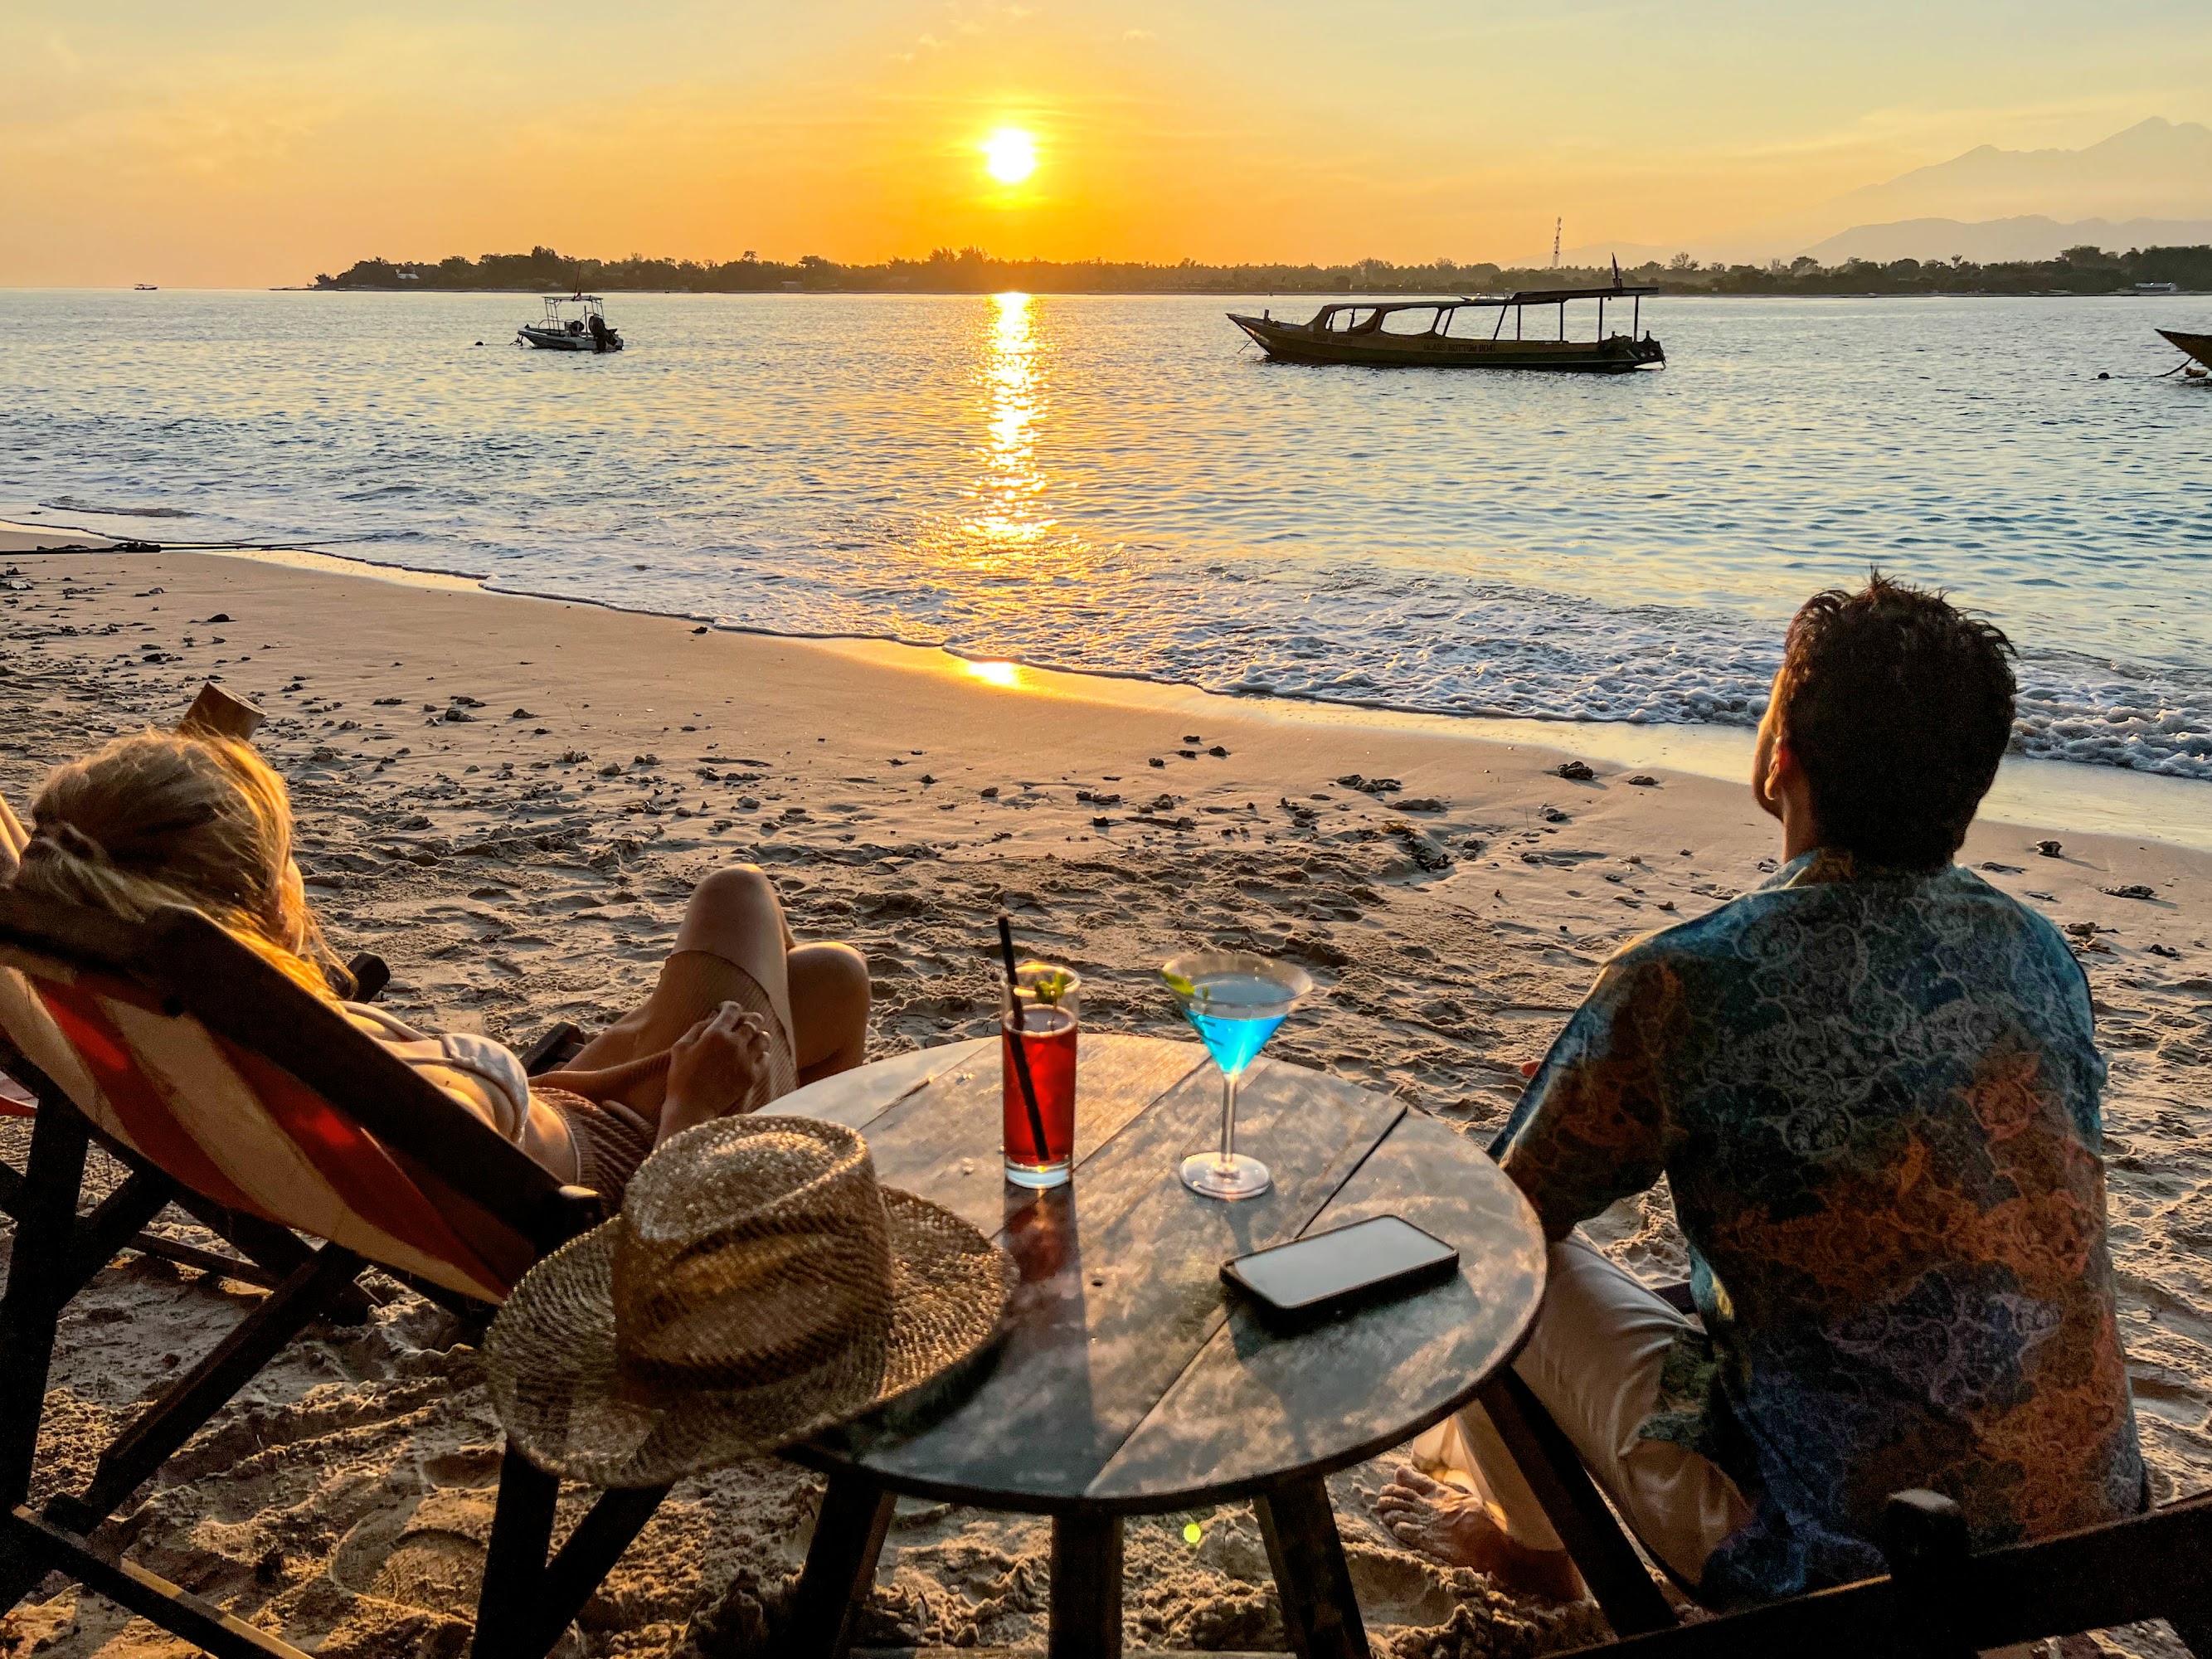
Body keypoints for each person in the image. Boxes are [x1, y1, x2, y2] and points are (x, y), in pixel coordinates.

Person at [1378, 573, 2144, 1608]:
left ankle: (1530, 1552)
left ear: (1782, 754)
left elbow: (1509, 1215)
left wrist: (1608, 1071)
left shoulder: (1687, 978)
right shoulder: (2042, 955)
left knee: (1509, 1261)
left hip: (1844, 1566)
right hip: (2087, 1537)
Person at [7, 730, 871, 1203]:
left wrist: (620, 1069)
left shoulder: (184, 1011)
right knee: (741, 894)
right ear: (264, 910)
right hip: (645, 1179)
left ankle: (817, 1173)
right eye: (285, 864)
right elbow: (626, 1273)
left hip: (559, 1121)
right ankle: (806, 1227)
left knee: (828, 977)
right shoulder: (313, 1048)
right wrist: (690, 1101)